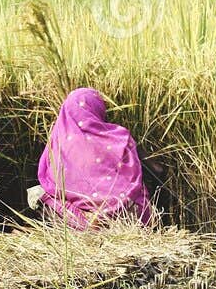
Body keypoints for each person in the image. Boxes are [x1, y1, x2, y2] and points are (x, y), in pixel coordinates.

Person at [30, 87, 154, 228]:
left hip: (78, 220)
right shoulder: (118, 137)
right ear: (97, 108)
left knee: (39, 193)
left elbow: (52, 181)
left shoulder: (60, 140)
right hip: (125, 217)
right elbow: (134, 178)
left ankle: (88, 223)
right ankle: (102, 221)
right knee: (139, 193)